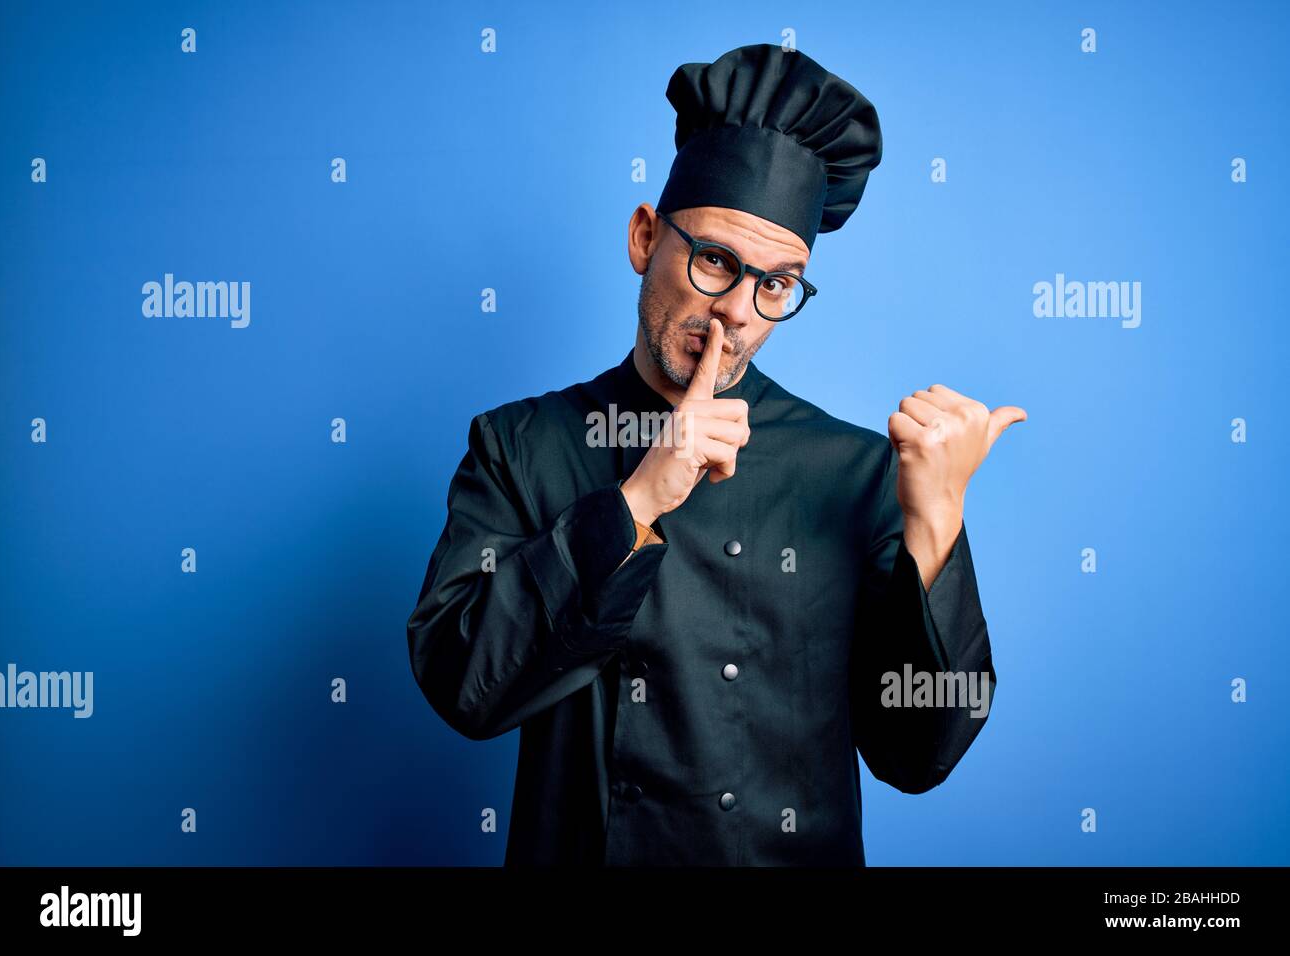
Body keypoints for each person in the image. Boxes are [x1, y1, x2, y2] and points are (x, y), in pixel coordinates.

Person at [406, 42, 1026, 865]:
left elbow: (919, 755)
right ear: (643, 238)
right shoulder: (521, 445)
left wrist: (938, 523)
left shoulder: (853, 471)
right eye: (715, 262)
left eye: (774, 284)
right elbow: (460, 685)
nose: (736, 311)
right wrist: (634, 504)